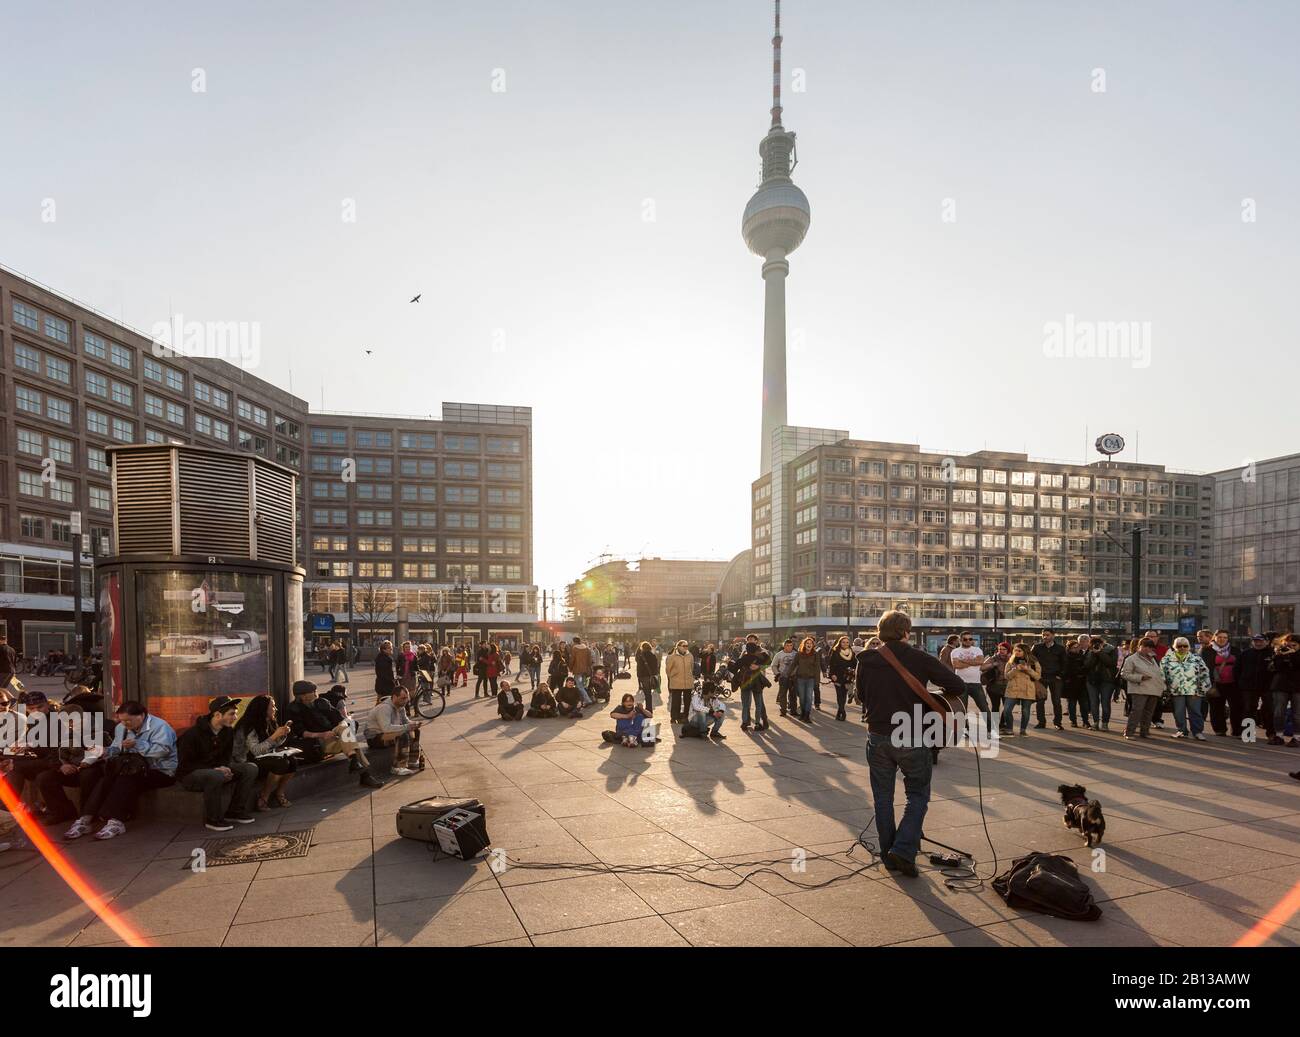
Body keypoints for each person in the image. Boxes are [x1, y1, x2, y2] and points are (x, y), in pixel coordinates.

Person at [855, 610, 969, 876]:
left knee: (882, 798)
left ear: (880, 631)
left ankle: (888, 853)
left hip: (877, 734)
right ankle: (903, 850)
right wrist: (932, 696)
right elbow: (958, 685)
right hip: (912, 734)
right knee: (917, 795)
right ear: (906, 632)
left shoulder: (866, 659)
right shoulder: (918, 657)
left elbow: (860, 696)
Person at [59, 700, 179, 841]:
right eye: (122, 721)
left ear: (141, 715)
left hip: (159, 770)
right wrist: (105, 751)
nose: (125, 724)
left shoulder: (160, 727)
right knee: (106, 778)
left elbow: (163, 751)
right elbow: (117, 749)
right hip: (129, 766)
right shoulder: (121, 728)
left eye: (129, 720)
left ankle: (115, 821)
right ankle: (85, 819)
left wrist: (138, 744)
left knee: (126, 779)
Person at [176, 697, 259, 832]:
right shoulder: (192, 734)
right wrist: (216, 769)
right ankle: (213, 820)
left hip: (215, 770)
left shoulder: (228, 732)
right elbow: (185, 764)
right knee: (216, 775)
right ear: (217, 715)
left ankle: (234, 812)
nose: (235, 717)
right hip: (190, 775)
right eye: (232, 714)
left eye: (235, 713)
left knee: (250, 768)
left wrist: (224, 766)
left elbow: (225, 757)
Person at [286, 680, 383, 787]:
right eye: (312, 691)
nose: (316, 693)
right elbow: (301, 732)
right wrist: (322, 735)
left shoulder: (321, 702)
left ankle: (355, 761)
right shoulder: (293, 709)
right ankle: (363, 772)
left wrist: (339, 729)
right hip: (317, 741)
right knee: (352, 744)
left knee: (343, 728)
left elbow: (340, 719)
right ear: (303, 696)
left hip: (335, 734)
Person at [233, 694, 296, 810]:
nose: (275, 709)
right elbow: (256, 751)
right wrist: (274, 736)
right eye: (272, 706)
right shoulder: (248, 725)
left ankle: (279, 792)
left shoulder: (268, 721)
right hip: (246, 761)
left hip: (260, 757)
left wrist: (282, 735)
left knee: (292, 761)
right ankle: (264, 796)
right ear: (263, 709)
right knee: (281, 763)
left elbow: (270, 745)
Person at [363, 687, 424, 775]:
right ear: (395, 697)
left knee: (415, 730)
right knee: (402, 734)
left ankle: (412, 760)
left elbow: (406, 722)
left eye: (407, 698)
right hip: (375, 737)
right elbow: (386, 728)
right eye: (403, 698)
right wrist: (407, 726)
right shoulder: (384, 708)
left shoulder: (400, 706)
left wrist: (414, 724)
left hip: (386, 733)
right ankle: (398, 767)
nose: (405, 701)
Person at [1161, 636, 1211, 740]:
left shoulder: (1196, 658)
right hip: (1176, 691)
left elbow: (1204, 674)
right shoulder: (1166, 659)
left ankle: (1197, 732)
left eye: (1185, 646)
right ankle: (1182, 730)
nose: (1182, 648)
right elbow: (1162, 675)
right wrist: (1165, 689)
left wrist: (1203, 689)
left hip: (1194, 691)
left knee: (1195, 711)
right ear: (1175, 647)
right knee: (1178, 712)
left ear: (1188, 647)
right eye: (1179, 646)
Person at [949, 632, 993, 736]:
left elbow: (981, 661)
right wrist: (973, 661)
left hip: (976, 684)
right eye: (965, 639)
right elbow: (956, 665)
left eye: (970, 639)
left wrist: (963, 661)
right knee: (962, 709)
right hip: (961, 684)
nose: (968, 641)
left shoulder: (977, 650)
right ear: (960, 640)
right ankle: (966, 730)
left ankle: (991, 730)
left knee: (984, 707)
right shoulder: (955, 651)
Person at [1119, 637, 1164, 739]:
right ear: (1139, 646)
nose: (1147, 649)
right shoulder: (1131, 659)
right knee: (1137, 711)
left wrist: (1162, 685)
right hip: (1138, 689)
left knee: (1149, 712)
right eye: (1145, 646)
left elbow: (1159, 673)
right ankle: (1129, 732)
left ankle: (1145, 732)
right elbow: (1125, 674)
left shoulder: (1153, 658)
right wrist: (1140, 677)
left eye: (1150, 647)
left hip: (1153, 689)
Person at [1205, 630, 1243, 737]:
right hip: (1216, 684)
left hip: (1233, 684)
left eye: (1224, 637)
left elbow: (1241, 665)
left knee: (1236, 708)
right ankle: (1220, 729)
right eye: (1219, 637)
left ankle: (1236, 730)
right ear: (1215, 638)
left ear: (1228, 639)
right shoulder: (1207, 650)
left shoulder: (1235, 650)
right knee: (1216, 708)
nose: (1222, 639)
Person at [999, 644, 1041, 736]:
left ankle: (1023, 730)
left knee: (1025, 711)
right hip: (1013, 689)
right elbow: (1007, 676)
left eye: (1019, 651)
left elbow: (1038, 676)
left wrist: (1028, 669)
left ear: (1025, 652)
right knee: (1007, 710)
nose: (1016, 653)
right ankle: (1009, 729)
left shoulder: (1033, 662)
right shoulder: (1011, 661)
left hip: (1027, 689)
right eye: (1015, 650)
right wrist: (1015, 669)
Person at [1239, 633, 1274, 740]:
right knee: (1248, 709)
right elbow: (1237, 669)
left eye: (1260, 641)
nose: (1258, 643)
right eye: (1255, 641)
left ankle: (1271, 733)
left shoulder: (1273, 653)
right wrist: (1240, 683)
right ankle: (1248, 733)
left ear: (1267, 642)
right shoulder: (1246, 653)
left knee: (1269, 709)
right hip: (1248, 687)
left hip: (1267, 687)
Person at [1268, 634, 1300, 747]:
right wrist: (1279, 655)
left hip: (1298, 687)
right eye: (1287, 644)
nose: (1290, 646)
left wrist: (1293, 654)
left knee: (1297, 714)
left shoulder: (1296, 654)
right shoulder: (1280, 652)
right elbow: (1277, 667)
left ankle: (1297, 737)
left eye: (1294, 645)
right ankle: (1279, 735)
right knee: (1278, 712)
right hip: (1281, 685)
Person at [1031, 629, 1066, 730]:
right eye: (1043, 635)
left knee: (1056, 701)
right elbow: (1031, 661)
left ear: (1053, 636)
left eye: (1047, 635)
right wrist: (1035, 676)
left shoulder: (1060, 648)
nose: (1045, 637)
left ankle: (1058, 723)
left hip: (1056, 678)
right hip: (1041, 678)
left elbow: (1064, 663)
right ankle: (1041, 722)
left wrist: (1060, 675)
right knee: (1040, 701)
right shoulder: (1037, 647)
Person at [1083, 635, 1118, 731]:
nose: (1096, 646)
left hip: (1107, 680)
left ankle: (1105, 723)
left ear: (1103, 643)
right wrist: (1094, 654)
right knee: (1094, 703)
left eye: (1098, 644)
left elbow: (1111, 663)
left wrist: (1100, 653)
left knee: (1105, 702)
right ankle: (1095, 723)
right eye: (1093, 644)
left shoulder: (1112, 650)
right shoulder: (1090, 651)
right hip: (1092, 680)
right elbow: (1087, 665)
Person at [735, 650, 771, 732]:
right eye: (749, 639)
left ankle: (749, 723)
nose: (750, 641)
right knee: (751, 704)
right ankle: (753, 723)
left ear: (756, 640)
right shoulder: (758, 653)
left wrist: (759, 667)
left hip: (754, 681)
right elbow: (769, 661)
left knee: (755, 704)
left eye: (752, 639)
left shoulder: (755, 653)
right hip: (751, 681)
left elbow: (768, 663)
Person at [665, 640, 696, 724]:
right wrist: (673, 675)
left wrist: (690, 675)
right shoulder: (672, 656)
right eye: (684, 646)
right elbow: (668, 669)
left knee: (687, 702)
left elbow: (692, 667)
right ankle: (674, 717)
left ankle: (685, 717)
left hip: (688, 682)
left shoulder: (690, 656)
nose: (686, 647)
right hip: (676, 682)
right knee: (676, 702)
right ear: (678, 646)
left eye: (687, 646)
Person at [827, 635, 856, 722]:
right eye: (843, 642)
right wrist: (832, 674)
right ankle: (843, 712)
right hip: (837, 676)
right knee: (839, 694)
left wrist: (853, 672)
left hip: (847, 677)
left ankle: (840, 711)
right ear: (840, 643)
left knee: (844, 694)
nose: (845, 644)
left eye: (847, 642)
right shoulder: (835, 652)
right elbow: (831, 664)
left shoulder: (852, 652)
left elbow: (854, 664)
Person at [981, 641, 1011, 722]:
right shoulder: (993, 658)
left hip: (1008, 687)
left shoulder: (1012, 659)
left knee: (1007, 707)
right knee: (995, 706)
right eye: (1000, 649)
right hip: (994, 686)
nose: (1001, 651)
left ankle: (1003, 723)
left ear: (1008, 650)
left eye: (1004, 649)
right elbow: (982, 667)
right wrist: (993, 665)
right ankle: (995, 724)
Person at [793, 636, 821, 722]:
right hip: (800, 678)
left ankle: (807, 715)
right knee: (802, 697)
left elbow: (817, 668)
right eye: (807, 643)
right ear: (804, 644)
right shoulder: (799, 654)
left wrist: (817, 680)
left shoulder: (815, 654)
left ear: (813, 645)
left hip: (811, 679)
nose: (809, 645)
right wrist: (787, 674)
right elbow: (793, 665)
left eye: (811, 643)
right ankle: (802, 713)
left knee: (808, 697)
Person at [771, 638, 798, 717]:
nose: (789, 647)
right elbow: (773, 665)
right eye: (787, 645)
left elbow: (799, 664)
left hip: (793, 677)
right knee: (783, 695)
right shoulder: (779, 654)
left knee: (793, 695)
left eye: (791, 645)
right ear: (784, 646)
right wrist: (777, 674)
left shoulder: (796, 654)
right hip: (783, 677)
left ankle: (793, 710)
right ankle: (783, 710)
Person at [568, 637, 595, 705]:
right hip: (585, 671)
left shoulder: (575, 649)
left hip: (578, 670)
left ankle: (588, 700)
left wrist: (570, 668)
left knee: (579, 686)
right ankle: (582, 700)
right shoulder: (587, 649)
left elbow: (572, 660)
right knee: (583, 685)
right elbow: (590, 661)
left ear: (574, 642)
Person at [635, 641, 659, 711]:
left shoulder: (641, 656)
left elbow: (639, 667)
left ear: (642, 648)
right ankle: (649, 709)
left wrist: (639, 677)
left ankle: (648, 709)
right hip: (650, 676)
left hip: (644, 677)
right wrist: (654, 674)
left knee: (646, 693)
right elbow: (656, 666)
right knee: (649, 694)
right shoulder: (653, 655)